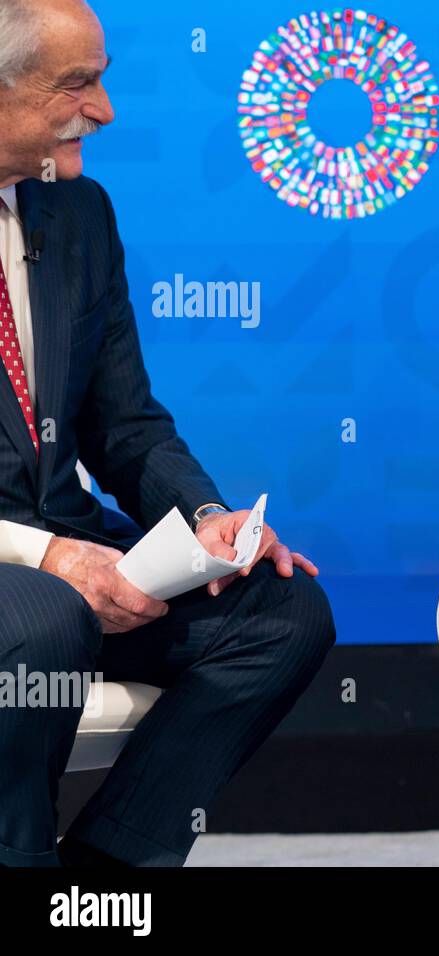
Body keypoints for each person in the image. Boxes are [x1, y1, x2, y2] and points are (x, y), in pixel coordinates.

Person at [0, 0, 335, 867]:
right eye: (78, 83)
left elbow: (127, 424)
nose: (104, 109)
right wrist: (49, 562)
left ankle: (105, 877)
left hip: (66, 559)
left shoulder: (76, 215)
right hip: (27, 583)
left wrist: (208, 519)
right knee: (45, 620)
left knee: (281, 611)